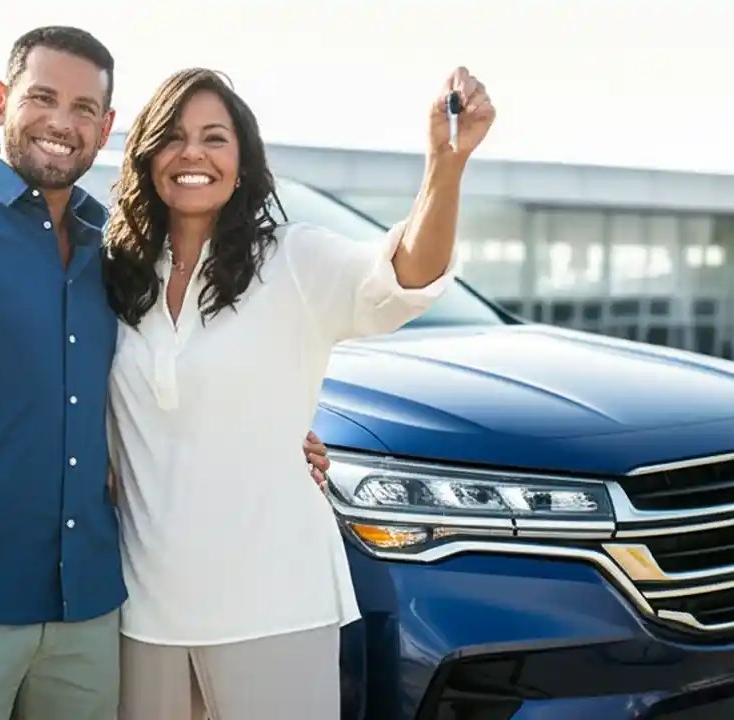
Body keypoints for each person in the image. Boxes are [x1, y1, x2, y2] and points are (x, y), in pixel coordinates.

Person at [0, 26, 330, 720]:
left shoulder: (108, 246)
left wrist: (271, 430)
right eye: (42, 97)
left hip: (86, 611)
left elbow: (165, 369)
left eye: (85, 109)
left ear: (106, 127)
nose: (62, 122)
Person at [102, 66, 495, 719]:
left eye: (214, 138)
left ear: (243, 160)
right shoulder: (117, 277)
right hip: (141, 610)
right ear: (146, 155)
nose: (192, 153)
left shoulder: (293, 261)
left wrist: (444, 167)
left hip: (273, 603)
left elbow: (401, 279)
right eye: (172, 136)